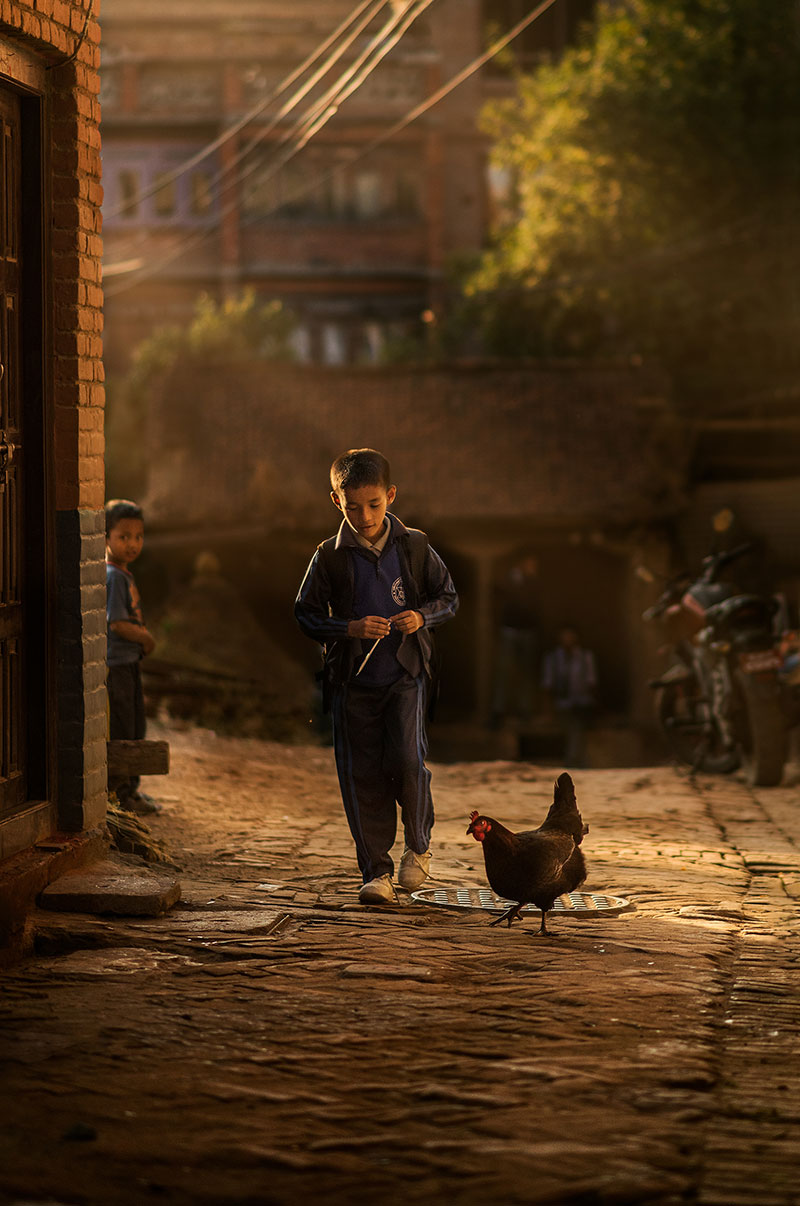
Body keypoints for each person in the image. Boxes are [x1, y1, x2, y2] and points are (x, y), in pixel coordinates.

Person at [295, 448, 459, 905]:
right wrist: (347, 628)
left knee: (408, 761)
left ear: (390, 496)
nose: (363, 516)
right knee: (360, 774)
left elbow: (448, 597)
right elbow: (305, 614)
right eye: (351, 507)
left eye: (373, 504)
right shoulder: (328, 556)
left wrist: (421, 617)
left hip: (405, 675)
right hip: (352, 681)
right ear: (336, 502)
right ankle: (376, 872)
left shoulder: (415, 546)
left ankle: (419, 845)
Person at [105, 499, 158, 815]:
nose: (132, 544)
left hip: (128, 663)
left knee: (136, 723)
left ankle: (131, 790)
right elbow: (117, 622)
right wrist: (145, 638)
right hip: (118, 664)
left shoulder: (123, 574)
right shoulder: (113, 577)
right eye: (124, 536)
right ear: (106, 537)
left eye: (138, 536)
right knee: (125, 726)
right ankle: (122, 792)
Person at [490, 553, 540, 728]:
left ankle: (524, 710)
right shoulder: (511, 580)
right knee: (504, 672)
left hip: (527, 632)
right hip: (510, 631)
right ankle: (498, 711)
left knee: (526, 672)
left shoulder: (534, 583)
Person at [541, 626, 597, 769]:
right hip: (562, 705)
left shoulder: (585, 657)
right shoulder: (553, 659)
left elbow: (592, 683)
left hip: (583, 704)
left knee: (577, 723)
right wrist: (548, 710)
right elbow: (548, 685)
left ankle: (573, 760)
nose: (568, 640)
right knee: (573, 724)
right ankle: (575, 760)